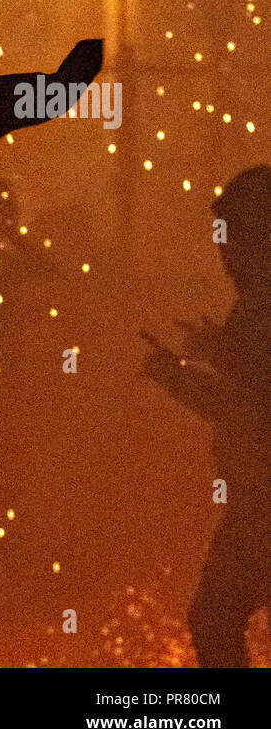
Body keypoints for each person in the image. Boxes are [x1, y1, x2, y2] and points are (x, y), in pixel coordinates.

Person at [142, 165, 271, 667]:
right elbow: (240, 405)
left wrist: (196, 366)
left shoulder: (260, 308)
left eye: (233, 240)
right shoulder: (252, 307)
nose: (224, 256)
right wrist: (188, 367)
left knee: (215, 615)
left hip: (262, 503)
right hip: (255, 497)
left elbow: (249, 406)